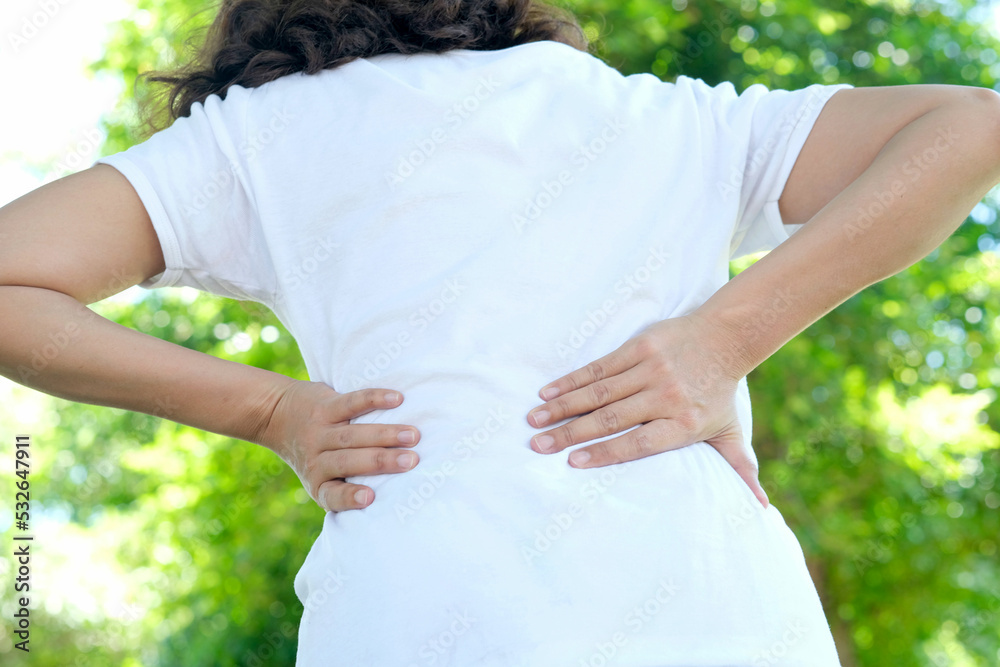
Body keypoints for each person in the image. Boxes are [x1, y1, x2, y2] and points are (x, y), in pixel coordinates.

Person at [2, 0, 999, 664]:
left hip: (426, 609)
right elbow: (969, 127)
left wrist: (273, 411)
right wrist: (721, 342)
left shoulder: (260, 134)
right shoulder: (666, 119)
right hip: (715, 609)